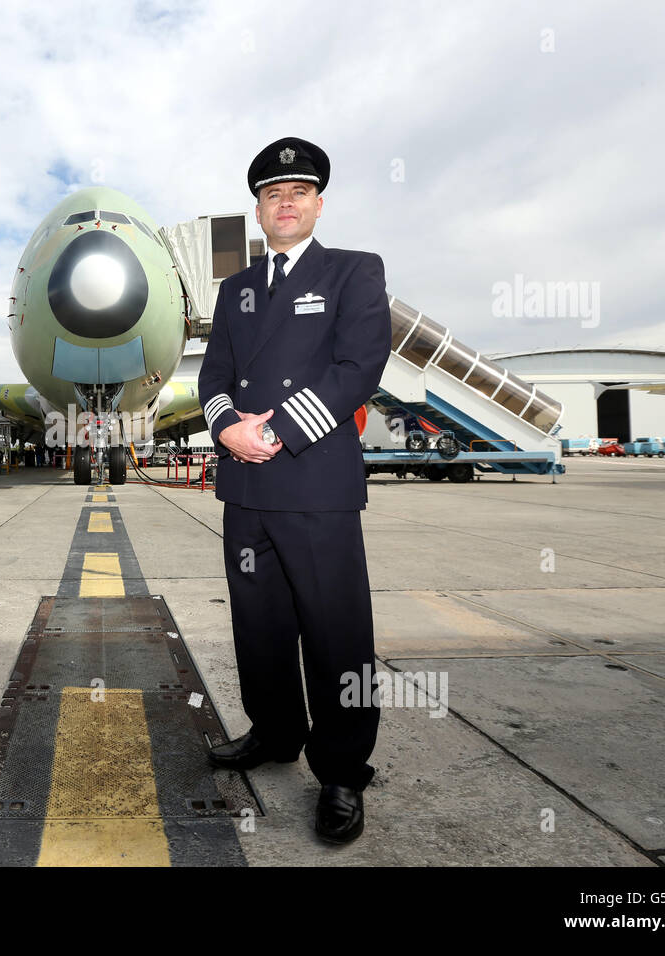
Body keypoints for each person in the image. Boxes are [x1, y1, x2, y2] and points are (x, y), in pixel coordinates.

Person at [197, 137, 391, 845]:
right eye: (274, 193)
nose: (286, 201)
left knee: (338, 631)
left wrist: (275, 429)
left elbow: (358, 365)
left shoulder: (353, 272)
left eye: (299, 191)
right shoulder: (234, 289)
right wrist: (226, 431)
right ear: (258, 208)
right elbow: (212, 376)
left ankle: (342, 769)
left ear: (317, 203)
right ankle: (276, 732)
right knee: (261, 626)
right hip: (246, 485)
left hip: (314, 482)